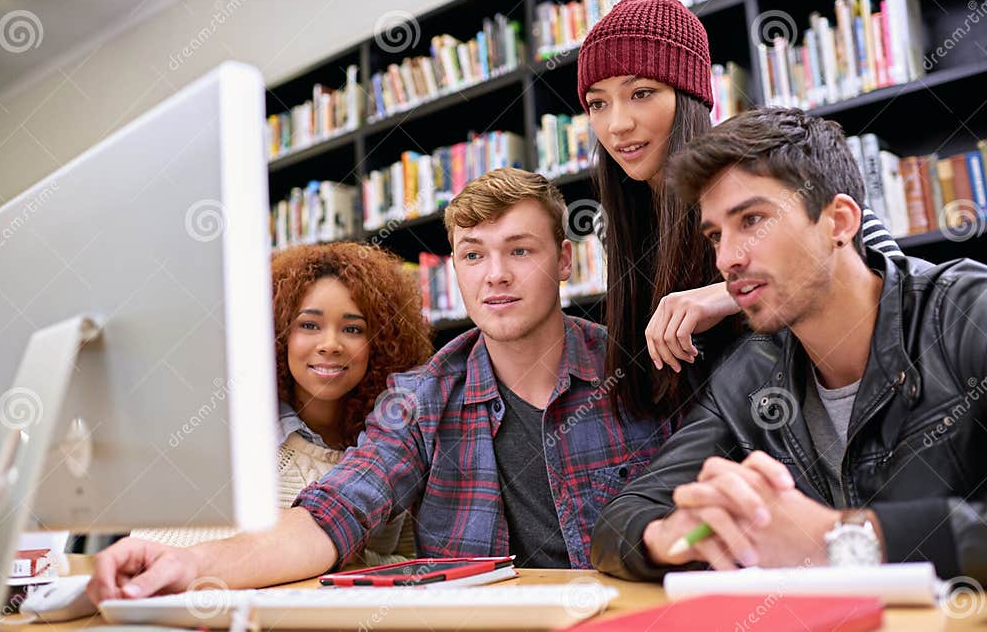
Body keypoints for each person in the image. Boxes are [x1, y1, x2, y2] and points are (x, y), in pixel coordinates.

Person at [87, 168, 665, 603]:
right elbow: (329, 516)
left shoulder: (643, 369)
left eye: (520, 250)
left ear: (565, 260)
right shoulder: (420, 398)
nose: (496, 275)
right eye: (473, 255)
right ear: (454, 269)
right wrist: (188, 566)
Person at [590, 107, 987, 583]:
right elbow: (618, 522)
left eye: (753, 219)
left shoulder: (967, 314)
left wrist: (843, 538)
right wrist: (667, 533)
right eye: (716, 235)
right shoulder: (750, 377)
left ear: (839, 221)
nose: (726, 258)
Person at [576, 0, 902, 421]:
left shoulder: (756, 171)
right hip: (712, 445)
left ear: (688, 97)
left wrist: (730, 294)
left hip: (815, 429)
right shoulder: (614, 226)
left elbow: (886, 272)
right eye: (598, 103)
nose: (617, 125)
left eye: (641, 94)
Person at [132, 242, 431, 566]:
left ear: (381, 343)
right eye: (309, 325)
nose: (330, 344)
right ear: (276, 335)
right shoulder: (228, 435)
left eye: (352, 328)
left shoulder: (394, 444)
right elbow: (156, 549)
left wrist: (310, 553)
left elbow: (409, 566)